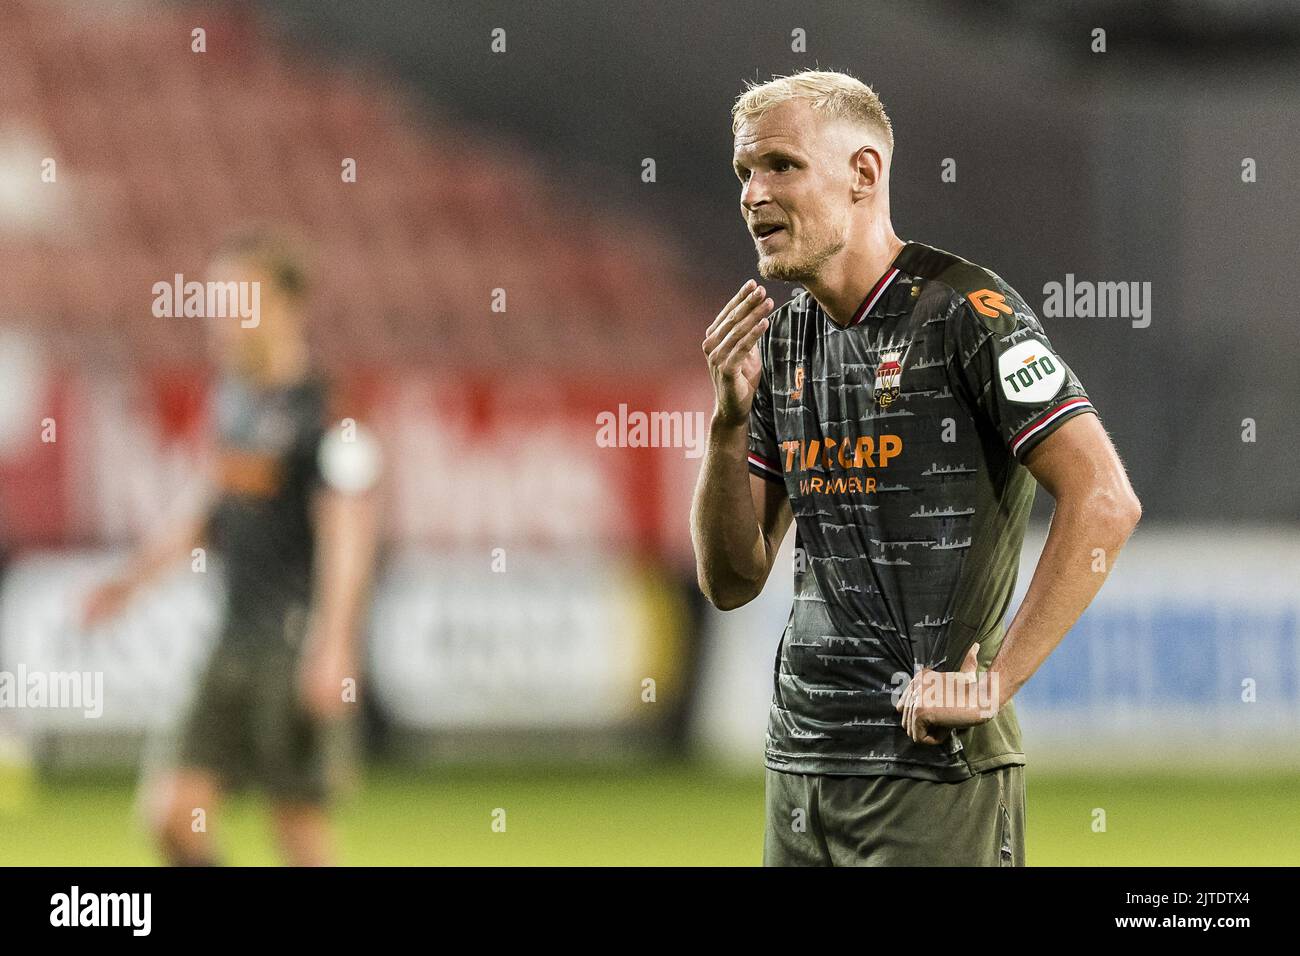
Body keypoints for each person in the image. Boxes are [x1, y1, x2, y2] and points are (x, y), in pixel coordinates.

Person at [690, 70, 1142, 866]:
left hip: (929, 771)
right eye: (743, 173)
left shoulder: (967, 311)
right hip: (801, 768)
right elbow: (731, 582)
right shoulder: (788, 341)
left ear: (863, 174)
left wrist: (994, 682)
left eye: (780, 165)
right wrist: (728, 423)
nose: (753, 194)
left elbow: (1104, 500)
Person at [82, 228, 382, 865]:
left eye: (235, 300)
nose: (218, 317)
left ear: (285, 309)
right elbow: (207, 514)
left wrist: (335, 642)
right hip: (231, 635)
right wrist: (130, 583)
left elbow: (348, 532)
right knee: (172, 816)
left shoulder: (330, 413)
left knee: (298, 832)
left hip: (293, 636)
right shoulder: (232, 399)